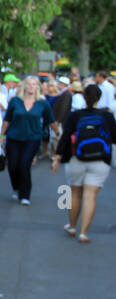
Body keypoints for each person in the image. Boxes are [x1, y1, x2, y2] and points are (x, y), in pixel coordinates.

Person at [53, 83, 116, 242]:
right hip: (100, 161)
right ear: (99, 98)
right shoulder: (107, 116)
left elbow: (65, 137)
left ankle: (72, 226)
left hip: (77, 158)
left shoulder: (75, 116)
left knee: (75, 194)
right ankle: (84, 232)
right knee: (90, 196)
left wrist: (57, 157)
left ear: (83, 97)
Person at [0, 76, 55, 205]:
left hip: (32, 138)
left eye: (34, 84)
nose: (31, 86)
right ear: (24, 86)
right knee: (13, 165)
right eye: (29, 84)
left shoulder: (42, 103)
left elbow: (50, 119)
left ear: (38, 87)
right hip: (14, 137)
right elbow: (7, 119)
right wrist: (2, 135)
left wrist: (57, 133)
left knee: (24, 164)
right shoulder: (15, 101)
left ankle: (25, 195)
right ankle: (16, 187)